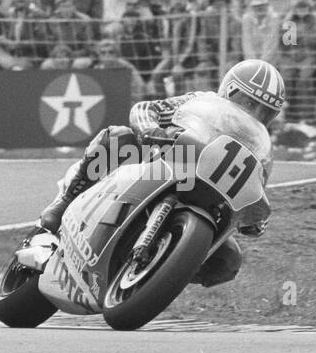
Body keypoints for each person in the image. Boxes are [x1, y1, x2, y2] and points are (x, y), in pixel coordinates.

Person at [36, 59, 285, 288]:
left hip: (207, 199)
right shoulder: (200, 100)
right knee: (118, 137)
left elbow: (256, 190)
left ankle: (161, 272)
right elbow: (147, 108)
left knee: (228, 261)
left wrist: (254, 219)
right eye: (251, 103)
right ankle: (65, 202)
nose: (255, 114)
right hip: (161, 162)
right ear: (229, 90)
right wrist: (151, 130)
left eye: (265, 112)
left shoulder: (261, 148)